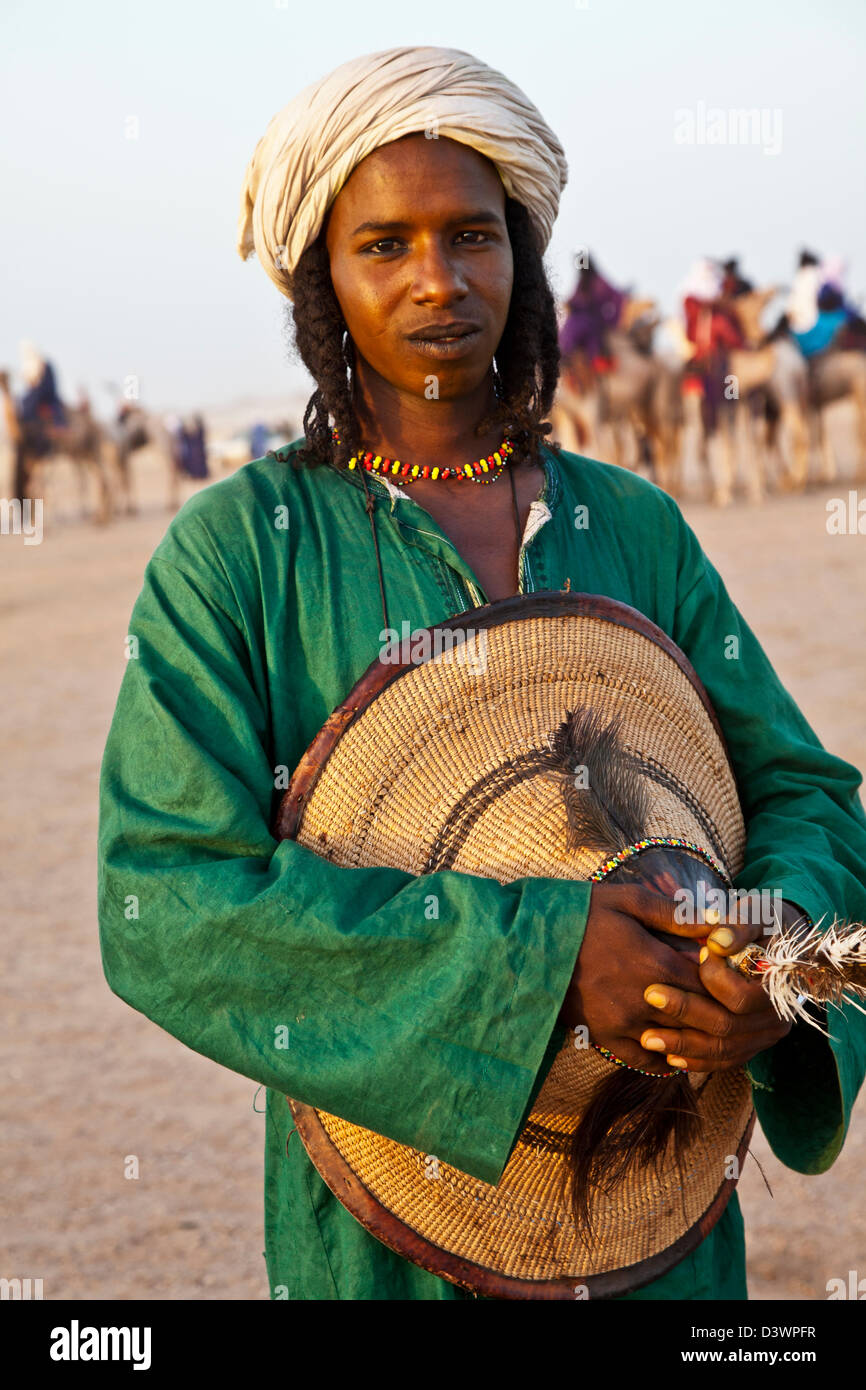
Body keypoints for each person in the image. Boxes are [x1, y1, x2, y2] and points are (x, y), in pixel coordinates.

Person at [97, 46, 866, 1301]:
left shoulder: (635, 528)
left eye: (471, 235)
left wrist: (771, 961)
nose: (436, 282)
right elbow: (168, 900)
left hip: (655, 1213)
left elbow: (800, 791)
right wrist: (544, 957)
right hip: (384, 1240)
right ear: (320, 281)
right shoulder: (233, 554)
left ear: (522, 253)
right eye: (382, 246)